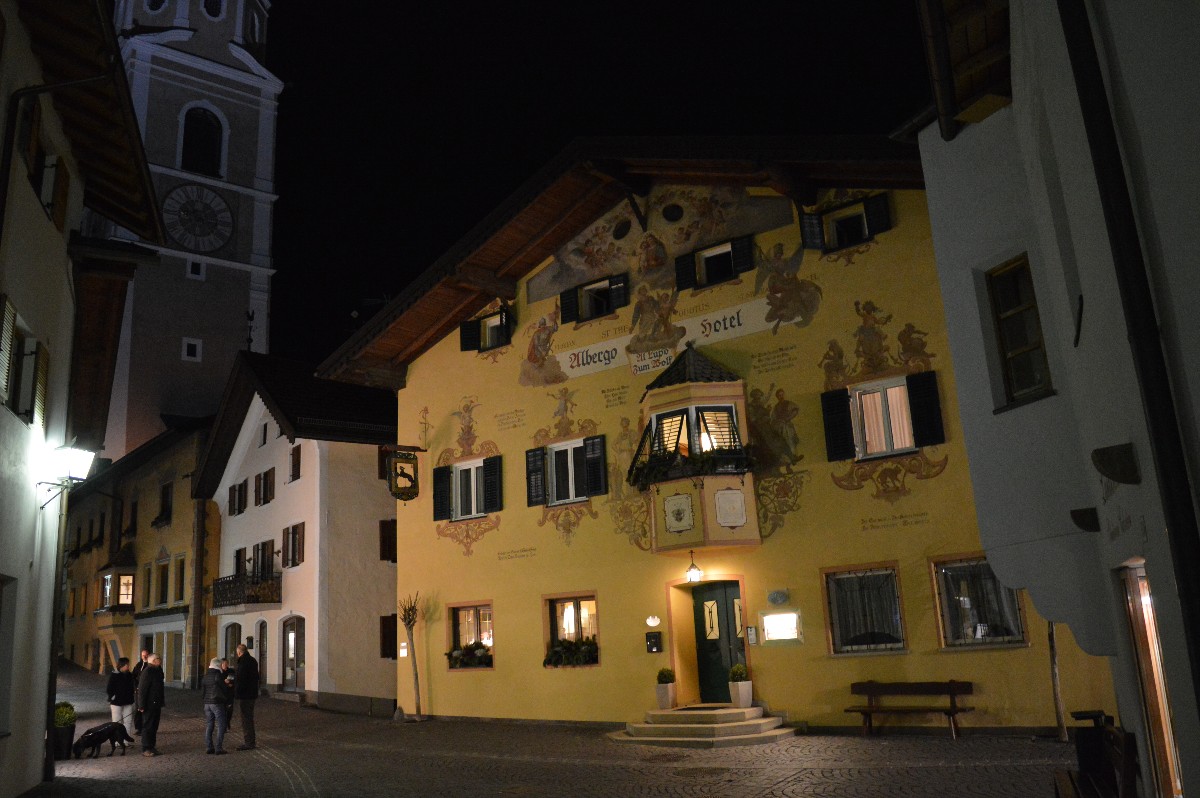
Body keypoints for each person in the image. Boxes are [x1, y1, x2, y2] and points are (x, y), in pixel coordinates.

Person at [136, 652, 165, 756]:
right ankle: (146, 748)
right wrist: (141, 705)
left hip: (156, 703)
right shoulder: (147, 672)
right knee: (148, 726)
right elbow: (142, 690)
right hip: (149, 704)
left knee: (154, 726)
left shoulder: (157, 671)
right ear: (153, 660)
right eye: (158, 659)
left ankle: (152, 746)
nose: (160, 660)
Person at [200, 657, 231, 754]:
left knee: (209, 724)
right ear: (218, 665)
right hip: (217, 702)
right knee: (221, 724)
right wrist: (226, 684)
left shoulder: (205, 676)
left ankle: (209, 747)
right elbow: (223, 689)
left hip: (207, 703)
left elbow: (203, 691)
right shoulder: (218, 675)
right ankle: (218, 748)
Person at [232, 643, 259, 750]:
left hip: (245, 695)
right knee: (249, 717)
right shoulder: (253, 660)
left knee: (246, 719)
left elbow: (241, 680)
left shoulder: (242, 662)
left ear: (239, 652)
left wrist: (236, 693)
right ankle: (250, 741)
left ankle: (249, 742)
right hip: (252, 693)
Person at [106, 657, 136, 736]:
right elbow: (109, 689)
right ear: (122, 665)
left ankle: (126, 741)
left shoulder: (129, 675)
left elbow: (131, 687)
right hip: (116, 702)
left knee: (128, 721)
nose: (128, 666)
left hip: (128, 701)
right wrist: (113, 696)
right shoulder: (114, 675)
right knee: (116, 722)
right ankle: (117, 742)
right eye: (127, 665)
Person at [130, 649, 149, 734]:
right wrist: (135, 687)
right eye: (143, 655)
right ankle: (139, 728)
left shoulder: (150, 665)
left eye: (146, 655)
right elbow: (133, 676)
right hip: (137, 691)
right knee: (138, 709)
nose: (144, 657)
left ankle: (146, 728)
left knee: (145, 710)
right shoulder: (138, 665)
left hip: (146, 692)